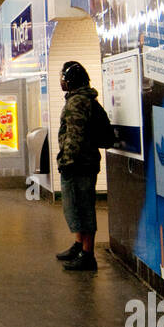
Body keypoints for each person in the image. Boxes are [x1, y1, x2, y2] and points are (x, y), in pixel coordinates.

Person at [55, 61, 112, 271]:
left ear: (70, 80)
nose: (61, 81)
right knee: (77, 207)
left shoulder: (77, 102)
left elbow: (74, 136)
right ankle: (79, 245)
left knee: (83, 208)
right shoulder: (81, 99)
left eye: (63, 77)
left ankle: (88, 254)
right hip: (83, 162)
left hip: (78, 164)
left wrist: (66, 161)